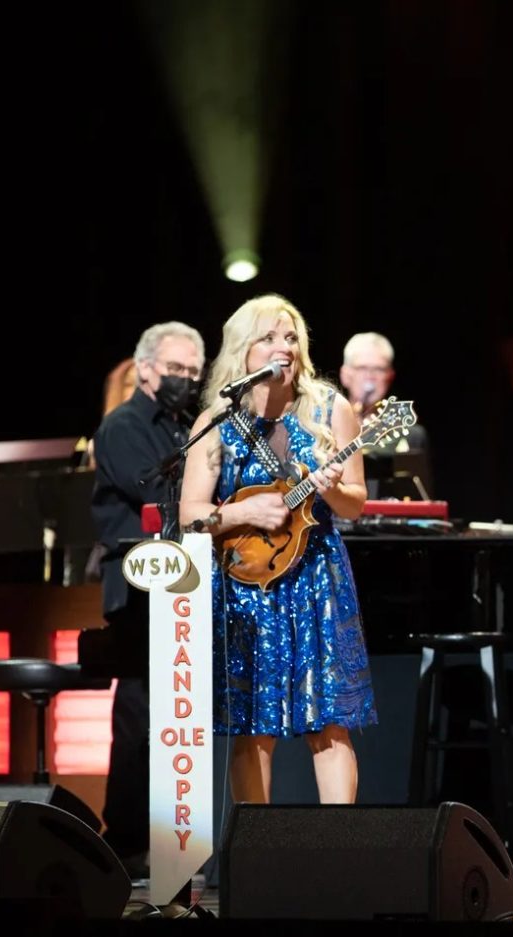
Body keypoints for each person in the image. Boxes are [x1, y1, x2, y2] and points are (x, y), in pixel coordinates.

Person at [179, 294, 375, 804]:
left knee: (329, 722)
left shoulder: (332, 409)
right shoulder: (216, 422)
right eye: (268, 337)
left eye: (290, 337)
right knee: (249, 727)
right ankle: (253, 857)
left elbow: (354, 504)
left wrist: (326, 485)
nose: (282, 347)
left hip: (316, 577)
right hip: (244, 584)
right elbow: (189, 513)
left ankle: (339, 852)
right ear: (243, 351)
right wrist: (243, 513)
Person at [89, 321, 207, 872]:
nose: (184, 379)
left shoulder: (191, 427)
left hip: (185, 582)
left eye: (192, 372)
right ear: (144, 370)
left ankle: (171, 841)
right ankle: (128, 840)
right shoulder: (124, 425)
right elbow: (159, 494)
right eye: (175, 369)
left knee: (175, 713)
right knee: (139, 712)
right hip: (140, 584)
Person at [337, 331, 430, 496]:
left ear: (390, 376)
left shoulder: (412, 436)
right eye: (362, 368)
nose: (370, 376)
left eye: (379, 369)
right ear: (345, 375)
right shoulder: (323, 427)